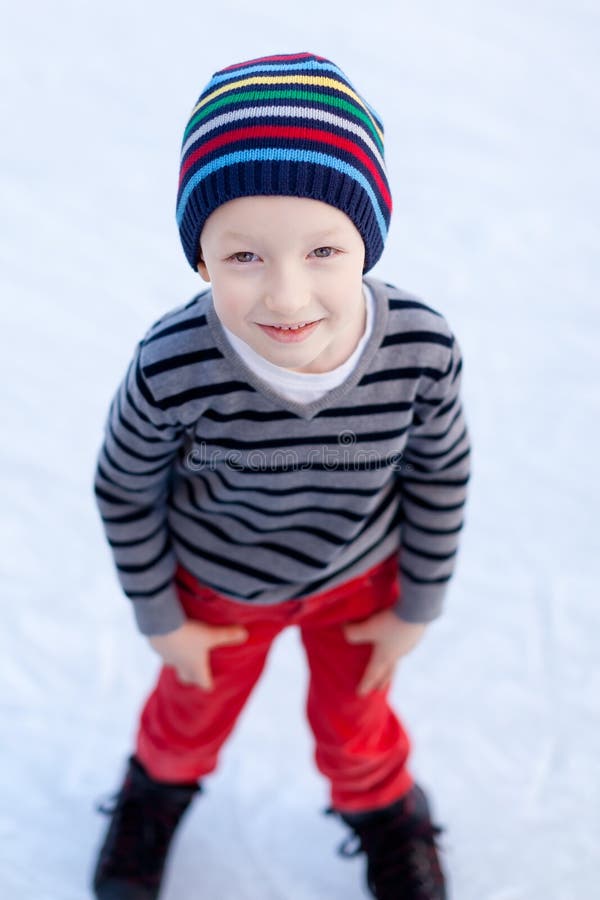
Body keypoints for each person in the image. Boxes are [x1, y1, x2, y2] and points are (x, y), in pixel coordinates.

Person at [90, 51, 470, 900]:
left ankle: (387, 815)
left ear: (368, 240)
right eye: (244, 258)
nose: (288, 297)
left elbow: (441, 472)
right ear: (200, 260)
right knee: (187, 715)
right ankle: (152, 801)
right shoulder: (173, 363)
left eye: (324, 249)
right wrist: (163, 617)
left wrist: (418, 604)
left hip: (360, 580)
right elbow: (123, 484)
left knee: (356, 723)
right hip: (219, 588)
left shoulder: (421, 348)